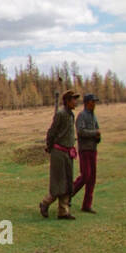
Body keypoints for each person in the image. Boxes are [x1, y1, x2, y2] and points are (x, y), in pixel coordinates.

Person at [40, 90, 80, 220]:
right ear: (67, 101)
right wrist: (49, 146)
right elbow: (52, 132)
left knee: (68, 182)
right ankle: (45, 203)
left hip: (68, 152)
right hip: (59, 153)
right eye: (74, 99)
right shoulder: (60, 114)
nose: (76, 101)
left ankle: (63, 211)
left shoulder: (71, 115)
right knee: (59, 183)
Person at [72, 93, 101, 213]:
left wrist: (98, 137)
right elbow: (81, 132)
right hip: (84, 150)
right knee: (85, 175)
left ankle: (87, 205)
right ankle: (68, 195)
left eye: (95, 101)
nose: (94, 104)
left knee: (92, 178)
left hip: (93, 149)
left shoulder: (94, 117)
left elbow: (97, 130)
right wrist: (95, 133)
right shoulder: (81, 116)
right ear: (87, 102)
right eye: (92, 101)